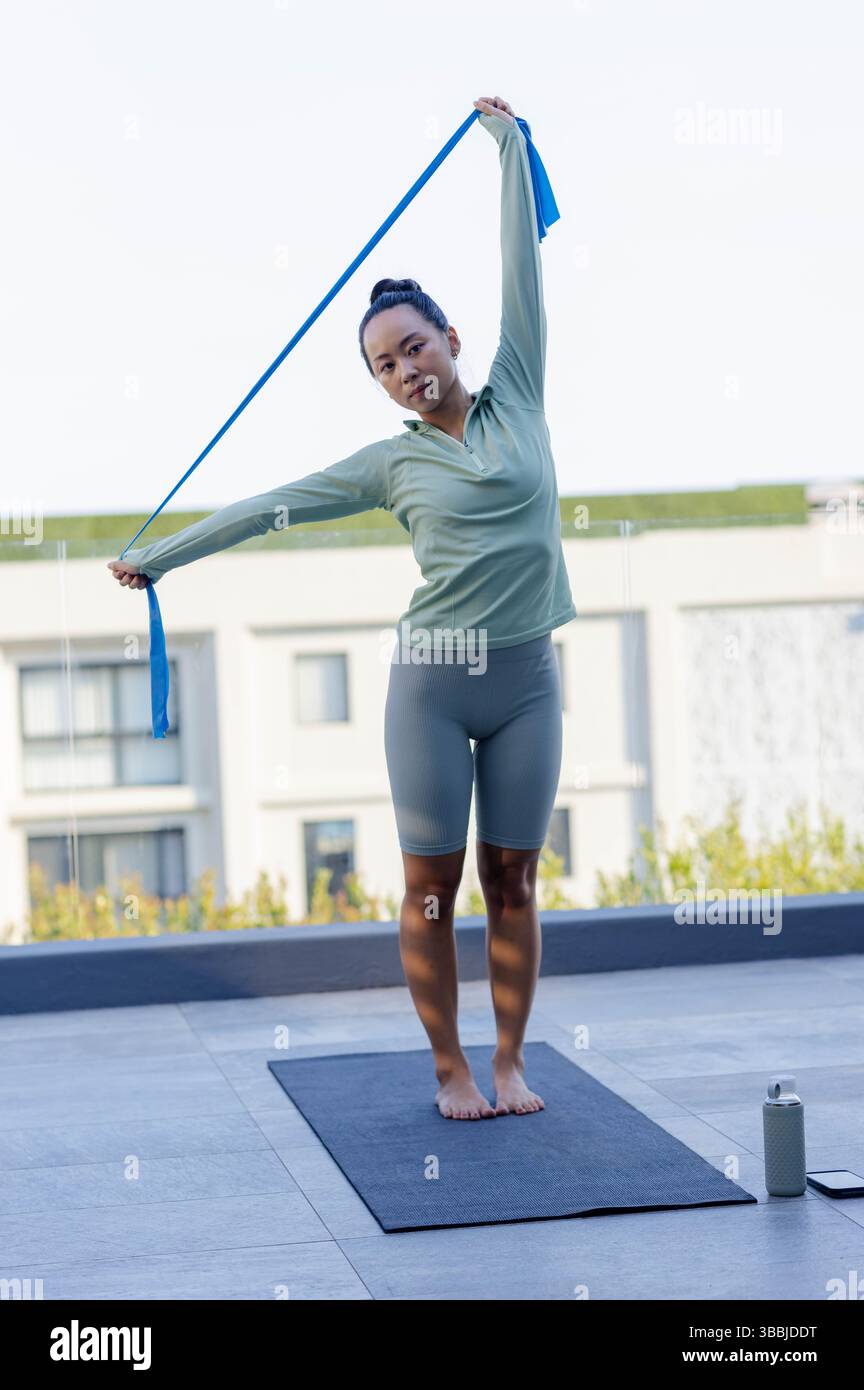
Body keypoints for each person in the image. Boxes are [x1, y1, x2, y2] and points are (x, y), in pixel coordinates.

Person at [109, 95, 577, 1121]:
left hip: (531, 679)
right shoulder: (387, 464)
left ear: (450, 338)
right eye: (385, 365)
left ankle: (509, 1061)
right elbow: (271, 506)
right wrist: (164, 557)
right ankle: (450, 1068)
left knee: (514, 882)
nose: (407, 370)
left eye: (415, 346)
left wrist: (509, 148)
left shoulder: (520, 395)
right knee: (429, 890)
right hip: (433, 686)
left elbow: (522, 268)